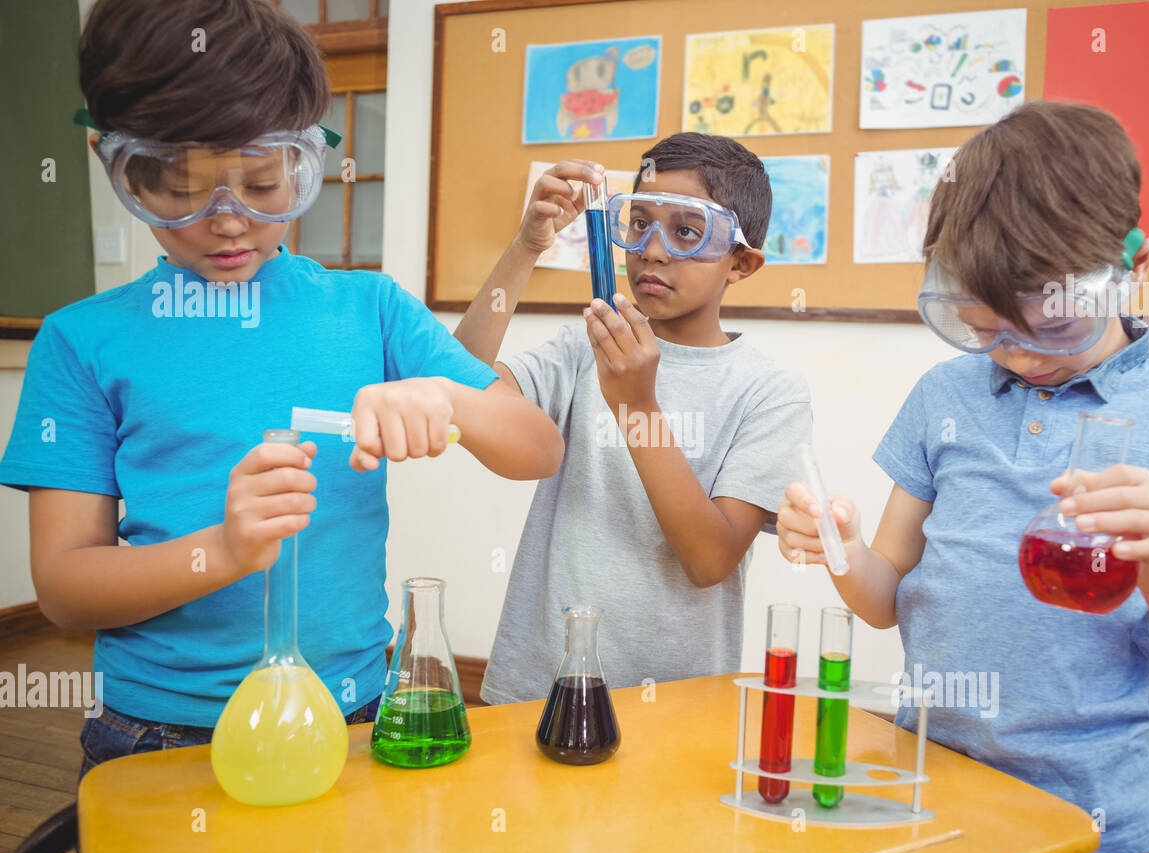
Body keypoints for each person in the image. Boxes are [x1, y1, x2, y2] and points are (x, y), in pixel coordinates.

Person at [0, 0, 562, 777]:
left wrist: (452, 401)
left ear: (307, 161)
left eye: (265, 185)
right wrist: (224, 551)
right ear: (114, 162)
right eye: (179, 189)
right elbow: (63, 588)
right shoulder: (80, 342)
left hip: (355, 712)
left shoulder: (371, 308)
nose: (228, 222)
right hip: (165, 732)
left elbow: (537, 448)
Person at [776, 101, 1149, 853]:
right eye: (986, 332)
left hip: (1092, 822)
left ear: (1134, 267)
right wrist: (840, 547)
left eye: (1052, 328)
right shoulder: (945, 396)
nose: (1016, 356)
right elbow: (881, 600)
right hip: (930, 794)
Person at [454, 132, 813, 704]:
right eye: (637, 221)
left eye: (686, 232)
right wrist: (525, 247)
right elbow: (460, 385)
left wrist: (636, 406)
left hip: (673, 706)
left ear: (740, 262)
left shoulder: (769, 393)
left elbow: (709, 559)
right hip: (538, 687)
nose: (652, 249)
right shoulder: (582, 350)